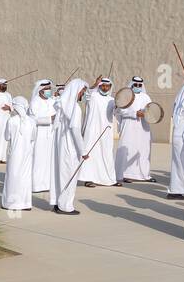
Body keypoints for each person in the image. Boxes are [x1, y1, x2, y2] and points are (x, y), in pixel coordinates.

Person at [51, 78, 89, 215]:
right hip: (70, 148)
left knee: (60, 175)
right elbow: (75, 130)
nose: (83, 95)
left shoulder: (61, 106)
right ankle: (65, 206)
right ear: (77, 91)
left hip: (60, 147)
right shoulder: (75, 108)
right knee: (69, 177)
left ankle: (57, 202)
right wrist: (83, 151)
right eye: (82, 91)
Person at [78, 76, 118, 187]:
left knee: (106, 154)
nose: (105, 88)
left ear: (110, 87)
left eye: (107, 86)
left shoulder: (112, 100)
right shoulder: (93, 96)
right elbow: (87, 93)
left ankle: (109, 179)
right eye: (103, 85)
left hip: (106, 132)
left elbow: (117, 112)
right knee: (91, 154)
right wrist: (95, 84)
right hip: (92, 131)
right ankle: (88, 179)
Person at [115, 76, 154, 183]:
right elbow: (119, 111)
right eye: (135, 85)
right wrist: (135, 113)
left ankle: (144, 175)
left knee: (143, 150)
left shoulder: (146, 97)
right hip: (129, 126)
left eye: (139, 85)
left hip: (143, 127)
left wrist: (145, 113)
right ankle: (124, 174)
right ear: (132, 84)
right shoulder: (125, 96)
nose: (137, 87)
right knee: (127, 147)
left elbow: (152, 110)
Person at [1, 96, 36, 211]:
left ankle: (11, 204)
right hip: (27, 154)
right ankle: (25, 204)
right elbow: (33, 138)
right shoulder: (31, 121)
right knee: (25, 177)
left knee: (13, 176)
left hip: (14, 154)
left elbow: (7, 137)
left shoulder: (11, 120)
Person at [30, 79, 56, 194]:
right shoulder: (35, 102)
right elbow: (33, 119)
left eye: (49, 89)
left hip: (51, 134)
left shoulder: (52, 101)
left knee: (49, 159)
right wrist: (49, 119)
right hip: (39, 135)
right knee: (39, 159)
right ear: (40, 90)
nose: (48, 91)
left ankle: (48, 184)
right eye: (46, 89)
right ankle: (37, 185)